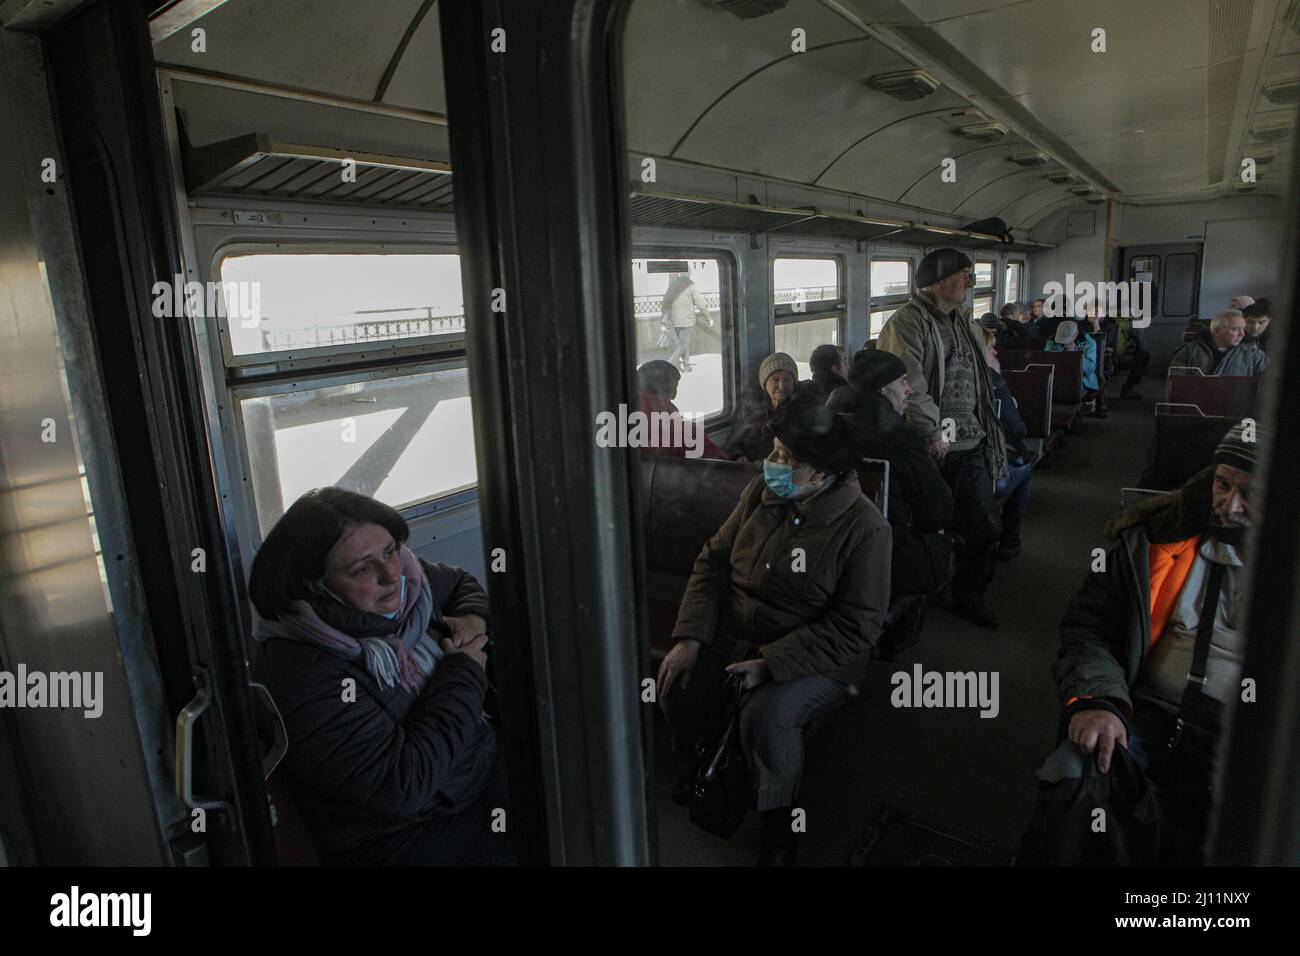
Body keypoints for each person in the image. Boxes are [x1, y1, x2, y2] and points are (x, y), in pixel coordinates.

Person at [657, 396, 891, 866]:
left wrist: (771, 664)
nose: (773, 465)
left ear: (822, 475)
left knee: (766, 719)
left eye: (788, 460)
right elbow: (712, 561)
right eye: (775, 452)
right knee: (678, 680)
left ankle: (779, 825)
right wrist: (689, 637)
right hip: (736, 630)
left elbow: (857, 626)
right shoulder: (762, 495)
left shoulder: (865, 529)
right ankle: (702, 764)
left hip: (816, 653)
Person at [248, 488, 511, 866]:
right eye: (363, 568)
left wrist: (474, 617)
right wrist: (466, 673)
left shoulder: (408, 581)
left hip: (471, 767)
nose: (393, 575)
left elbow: (456, 585)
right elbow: (404, 785)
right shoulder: (304, 675)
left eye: (390, 550)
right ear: (313, 584)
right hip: (405, 833)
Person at [1053, 424, 1260, 864]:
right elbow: (1090, 628)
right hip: (1143, 710)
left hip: (1247, 738)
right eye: (1222, 484)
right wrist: (1099, 701)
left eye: (1250, 494)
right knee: (1076, 786)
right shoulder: (1154, 538)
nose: (1229, 505)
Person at [877, 248, 1007, 629]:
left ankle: (966, 594)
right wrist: (933, 432)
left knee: (984, 525)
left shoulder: (964, 319)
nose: (971, 283)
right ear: (939, 283)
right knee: (933, 523)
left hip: (971, 440)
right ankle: (928, 590)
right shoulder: (907, 324)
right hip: (932, 445)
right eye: (965, 275)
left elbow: (979, 376)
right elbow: (910, 383)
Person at [828, 349, 954, 659]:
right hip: (881, 554)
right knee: (939, 545)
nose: (909, 389)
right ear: (882, 389)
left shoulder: (823, 422)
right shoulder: (900, 437)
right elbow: (938, 510)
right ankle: (901, 633)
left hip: (824, 545)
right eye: (902, 382)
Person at [981, 328, 1034, 560]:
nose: (995, 352)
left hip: (946, 472)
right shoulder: (994, 382)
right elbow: (1017, 430)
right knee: (1026, 470)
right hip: (984, 472)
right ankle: (1009, 541)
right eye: (990, 348)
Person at [636, 360, 728, 459]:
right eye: (673, 389)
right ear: (662, 389)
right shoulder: (688, 434)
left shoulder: (623, 422)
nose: (674, 396)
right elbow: (722, 465)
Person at [725, 352, 799, 462]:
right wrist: (738, 456)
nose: (781, 386)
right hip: (752, 468)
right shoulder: (751, 406)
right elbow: (735, 441)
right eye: (775, 380)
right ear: (764, 383)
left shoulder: (802, 407)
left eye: (787, 380)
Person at [1169, 310, 1267, 376]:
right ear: (1217, 330)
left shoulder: (1254, 355)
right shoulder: (1189, 352)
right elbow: (1176, 383)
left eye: (1243, 329)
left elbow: (1265, 386)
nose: (1242, 334)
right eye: (1235, 329)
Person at [661, 272, 713, 373]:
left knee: (683, 343)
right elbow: (700, 303)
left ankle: (686, 366)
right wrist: (708, 317)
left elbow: (666, 302)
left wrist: (663, 320)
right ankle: (669, 365)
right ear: (689, 273)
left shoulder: (673, 284)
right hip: (687, 321)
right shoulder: (691, 285)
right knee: (683, 344)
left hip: (675, 319)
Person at [1045, 320, 1100, 413]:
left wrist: (1074, 353)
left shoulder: (1089, 343)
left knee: (1068, 388)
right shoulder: (1052, 341)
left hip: (1081, 378)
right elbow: (1046, 361)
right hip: (1057, 376)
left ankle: (1066, 414)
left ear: (1076, 335)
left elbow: (1090, 369)